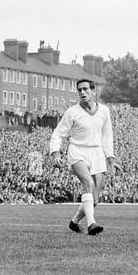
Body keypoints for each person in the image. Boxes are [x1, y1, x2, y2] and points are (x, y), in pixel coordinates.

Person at [48, 79, 115, 235]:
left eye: (85, 89)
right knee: (87, 183)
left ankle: (74, 222)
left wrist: (110, 157)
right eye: (79, 90)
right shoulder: (72, 112)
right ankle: (92, 224)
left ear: (93, 91)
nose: (82, 92)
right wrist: (55, 152)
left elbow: (107, 136)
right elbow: (58, 133)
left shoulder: (104, 111)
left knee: (95, 199)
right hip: (77, 151)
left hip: (97, 152)